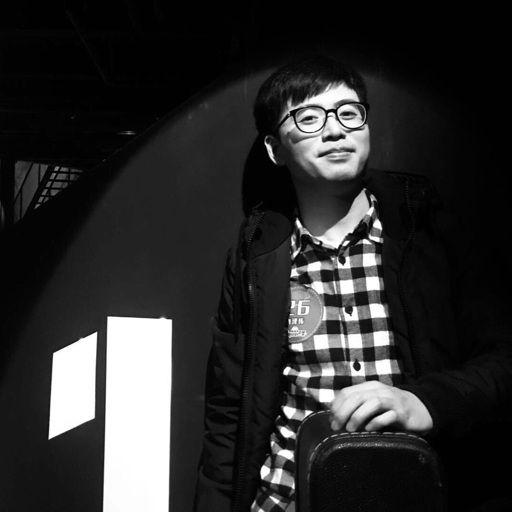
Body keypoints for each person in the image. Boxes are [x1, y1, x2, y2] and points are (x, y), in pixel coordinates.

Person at [194, 55, 512, 512]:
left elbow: (503, 360)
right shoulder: (255, 260)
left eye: (348, 112)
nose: (335, 130)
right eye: (308, 118)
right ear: (275, 149)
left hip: (418, 494)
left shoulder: (433, 233)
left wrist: (425, 403)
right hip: (287, 499)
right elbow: (228, 412)